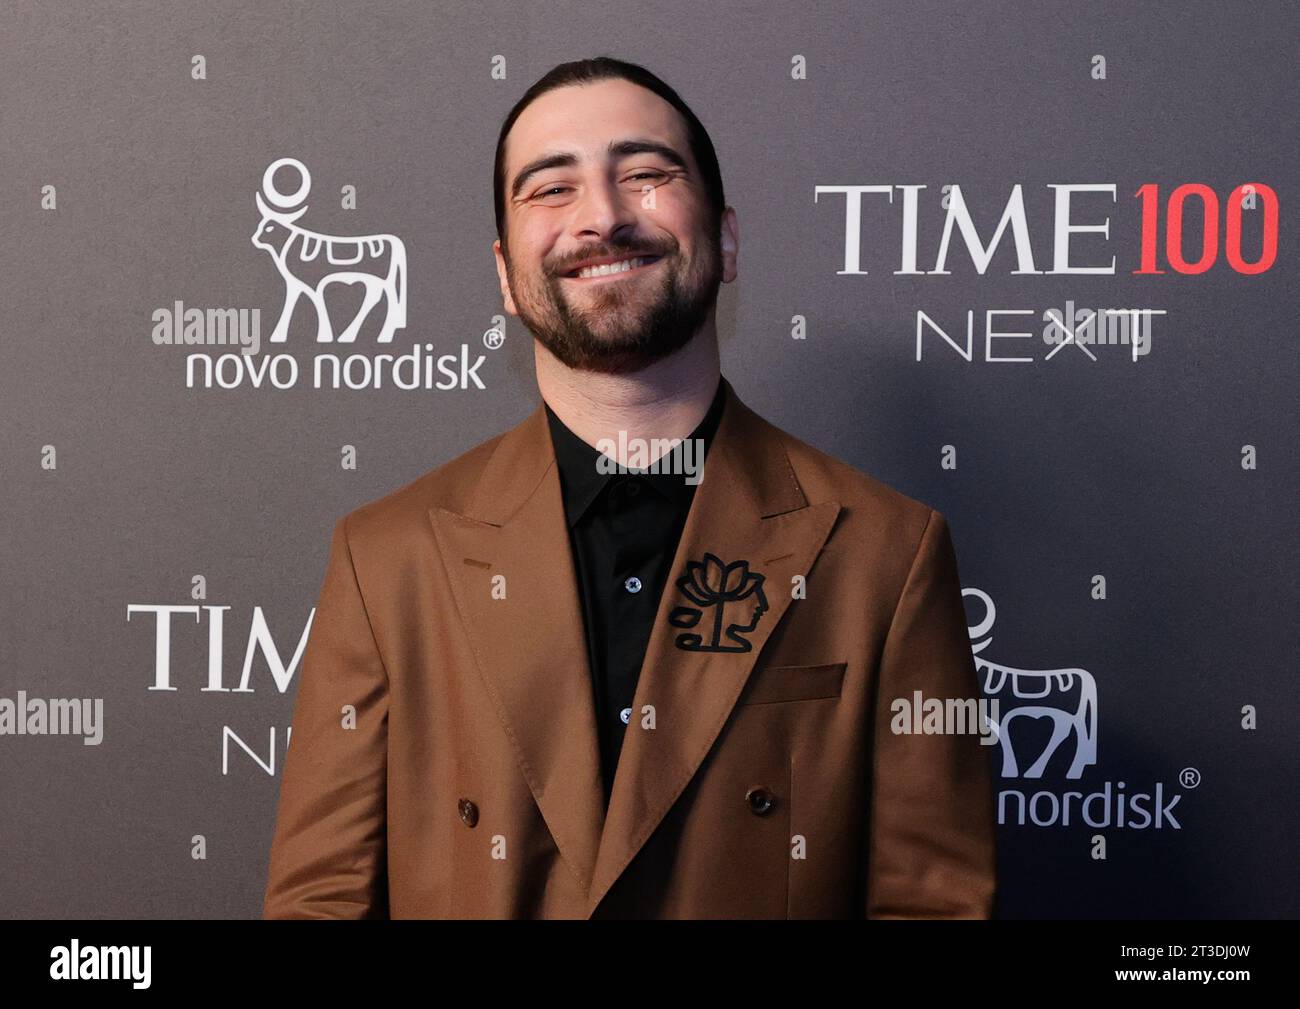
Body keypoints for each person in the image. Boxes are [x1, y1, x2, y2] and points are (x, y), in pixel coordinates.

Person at [263, 55, 997, 919]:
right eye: (551, 189)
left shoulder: (888, 551)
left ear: (725, 239)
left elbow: (934, 904)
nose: (603, 217)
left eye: (645, 175)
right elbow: (321, 904)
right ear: (505, 274)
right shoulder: (385, 560)